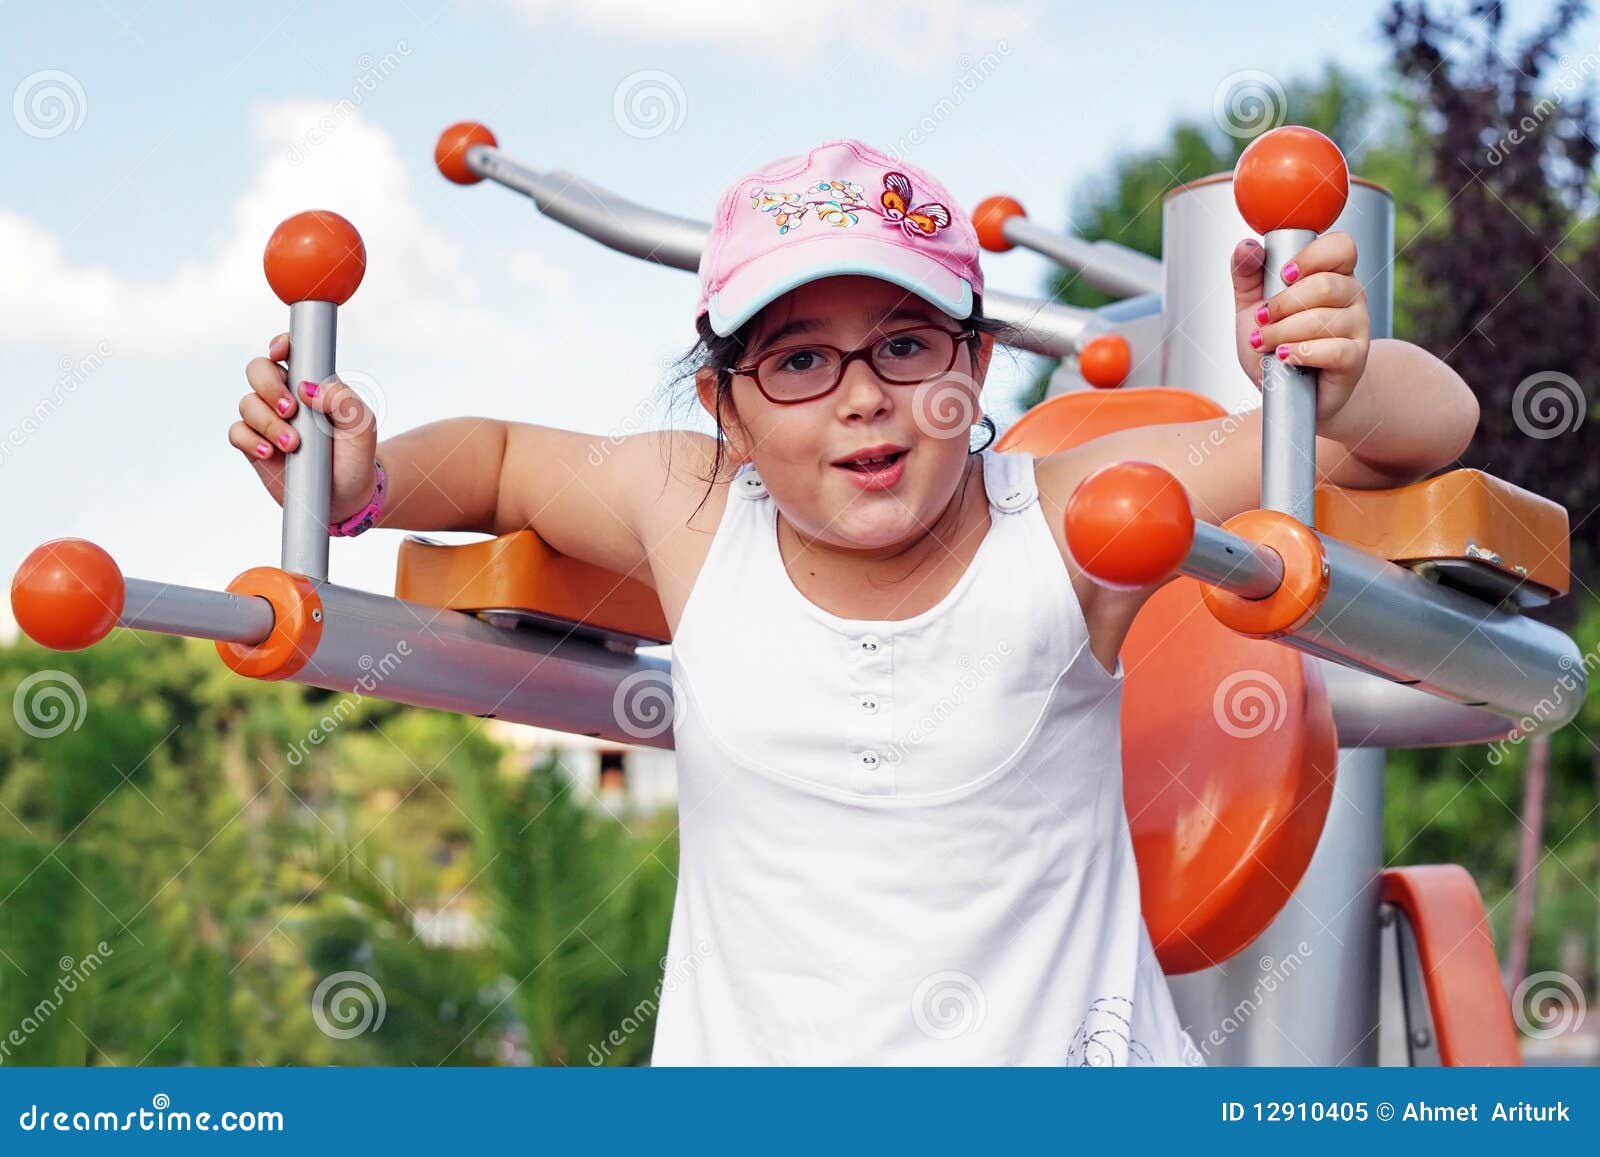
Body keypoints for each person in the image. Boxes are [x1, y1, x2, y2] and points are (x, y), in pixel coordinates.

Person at [229, 138, 1478, 1065]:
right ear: (726, 407)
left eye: (904, 343)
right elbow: (501, 459)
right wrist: (364, 478)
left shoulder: (1071, 510)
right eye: (798, 359)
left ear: (975, 362)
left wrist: (1345, 372)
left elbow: (1412, 436)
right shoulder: (694, 504)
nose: (863, 397)